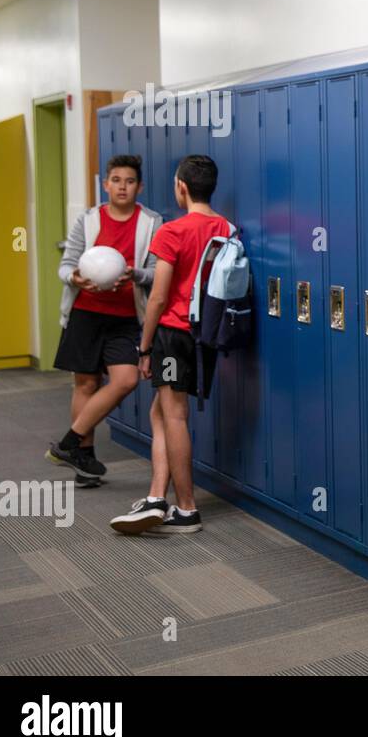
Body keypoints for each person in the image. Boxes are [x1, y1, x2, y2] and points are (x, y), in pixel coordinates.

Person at [109, 155, 232, 535]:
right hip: (203, 334)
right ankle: (157, 497)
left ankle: (187, 508)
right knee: (160, 413)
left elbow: (158, 297)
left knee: (173, 415)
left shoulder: (172, 232)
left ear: (181, 187)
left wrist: (144, 348)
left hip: (171, 335)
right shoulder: (226, 227)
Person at [47, 155, 162, 485]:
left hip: (126, 317)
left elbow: (156, 270)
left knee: (126, 379)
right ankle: (84, 458)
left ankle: (70, 442)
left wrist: (135, 274)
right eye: (116, 180)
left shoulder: (152, 223)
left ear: (139, 186)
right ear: (105, 184)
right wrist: (75, 279)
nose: (122, 186)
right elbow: (66, 264)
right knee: (86, 384)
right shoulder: (89, 220)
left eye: (129, 181)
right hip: (85, 312)